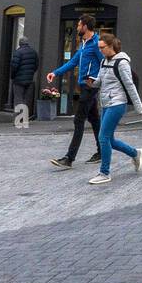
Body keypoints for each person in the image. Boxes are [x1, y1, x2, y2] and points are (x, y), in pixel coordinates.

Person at [47, 15, 105, 169]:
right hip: (84, 86)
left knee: (78, 120)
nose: (78, 27)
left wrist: (96, 80)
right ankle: (102, 152)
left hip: (90, 86)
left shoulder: (96, 44)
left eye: (79, 25)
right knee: (94, 119)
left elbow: (105, 62)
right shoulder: (84, 44)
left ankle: (69, 158)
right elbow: (73, 62)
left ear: (85, 26)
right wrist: (56, 73)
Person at [88, 34, 142, 184]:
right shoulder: (103, 61)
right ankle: (135, 153)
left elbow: (129, 85)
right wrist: (91, 82)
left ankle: (104, 172)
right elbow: (100, 81)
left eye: (102, 48)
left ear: (111, 46)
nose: (100, 50)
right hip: (107, 103)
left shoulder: (122, 63)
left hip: (117, 103)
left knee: (103, 137)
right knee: (109, 139)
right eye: (99, 47)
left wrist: (139, 107)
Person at [9, 36, 38, 117]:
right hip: (29, 79)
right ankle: (24, 116)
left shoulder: (18, 52)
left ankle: (18, 118)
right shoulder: (33, 52)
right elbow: (36, 65)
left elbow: (14, 66)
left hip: (18, 80)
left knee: (18, 98)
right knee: (25, 99)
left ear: (20, 43)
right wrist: (31, 74)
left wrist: (12, 76)